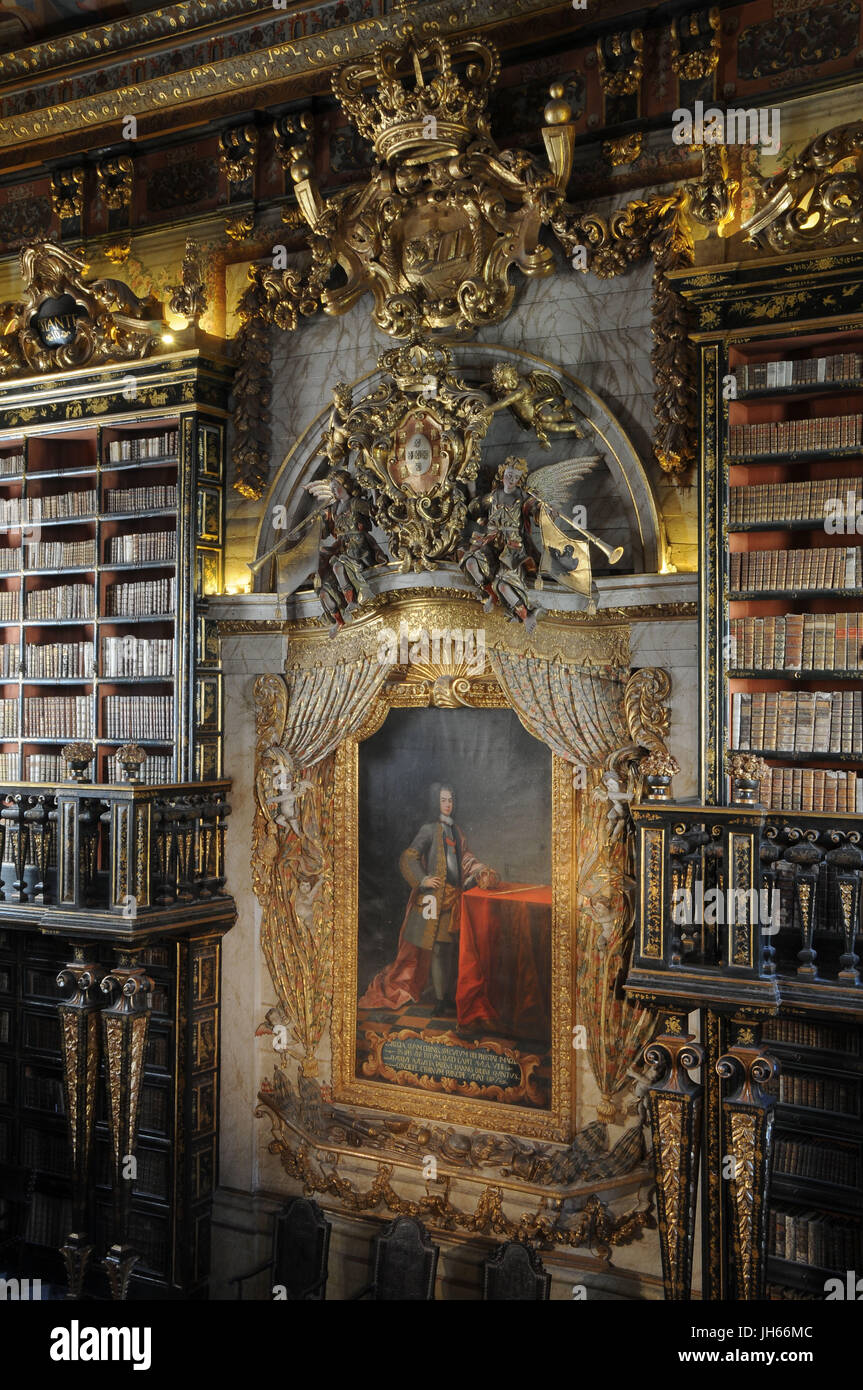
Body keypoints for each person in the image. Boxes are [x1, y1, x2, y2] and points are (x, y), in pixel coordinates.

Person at [358, 782, 499, 1016]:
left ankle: (447, 994)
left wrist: (478, 869)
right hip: (433, 900)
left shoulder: (457, 831)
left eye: (451, 800)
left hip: (454, 899)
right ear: (436, 802)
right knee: (436, 949)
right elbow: (409, 857)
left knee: (450, 948)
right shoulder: (429, 829)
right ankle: (441, 1000)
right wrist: (423, 879)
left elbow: (464, 857)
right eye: (443, 800)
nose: (448, 804)